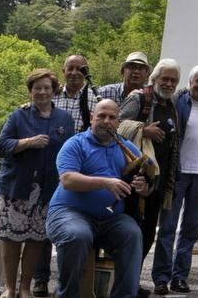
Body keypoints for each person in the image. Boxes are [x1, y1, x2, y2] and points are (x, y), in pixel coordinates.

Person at [46, 99, 151, 298]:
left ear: (119, 122)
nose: (106, 121)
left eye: (112, 117)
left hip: (111, 219)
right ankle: (66, 295)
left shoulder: (127, 148)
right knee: (77, 234)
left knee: (132, 234)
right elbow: (68, 180)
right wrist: (105, 182)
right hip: (69, 213)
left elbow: (145, 182)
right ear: (92, 118)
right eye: (101, 116)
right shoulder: (75, 144)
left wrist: (143, 187)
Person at [0, 69, 75, 298]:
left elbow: (69, 151)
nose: (42, 92)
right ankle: (9, 288)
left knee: (36, 240)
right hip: (16, 188)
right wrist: (27, 142)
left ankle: (25, 288)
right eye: (37, 88)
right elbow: (1, 146)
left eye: (46, 88)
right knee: (10, 239)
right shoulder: (19, 115)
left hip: (48, 190)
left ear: (54, 90)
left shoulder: (65, 120)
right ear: (30, 91)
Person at [35, 55, 99, 296]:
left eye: (80, 69)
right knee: (44, 219)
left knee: (73, 224)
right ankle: (41, 278)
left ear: (86, 72)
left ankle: (73, 281)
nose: (74, 72)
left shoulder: (94, 97)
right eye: (70, 68)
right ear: (63, 70)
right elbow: (35, 108)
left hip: (78, 171)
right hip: (48, 166)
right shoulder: (52, 94)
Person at [152, 63, 198, 295]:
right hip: (177, 173)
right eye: (197, 81)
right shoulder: (179, 101)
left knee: (190, 229)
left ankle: (179, 277)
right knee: (168, 227)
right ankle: (161, 277)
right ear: (190, 82)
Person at [119, 59, 182, 266]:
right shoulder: (139, 99)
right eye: (165, 79)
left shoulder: (171, 104)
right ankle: (125, 279)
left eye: (174, 80)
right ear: (154, 78)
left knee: (148, 232)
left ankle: (133, 278)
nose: (169, 84)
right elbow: (116, 126)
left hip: (159, 179)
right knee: (133, 230)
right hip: (134, 177)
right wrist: (142, 130)